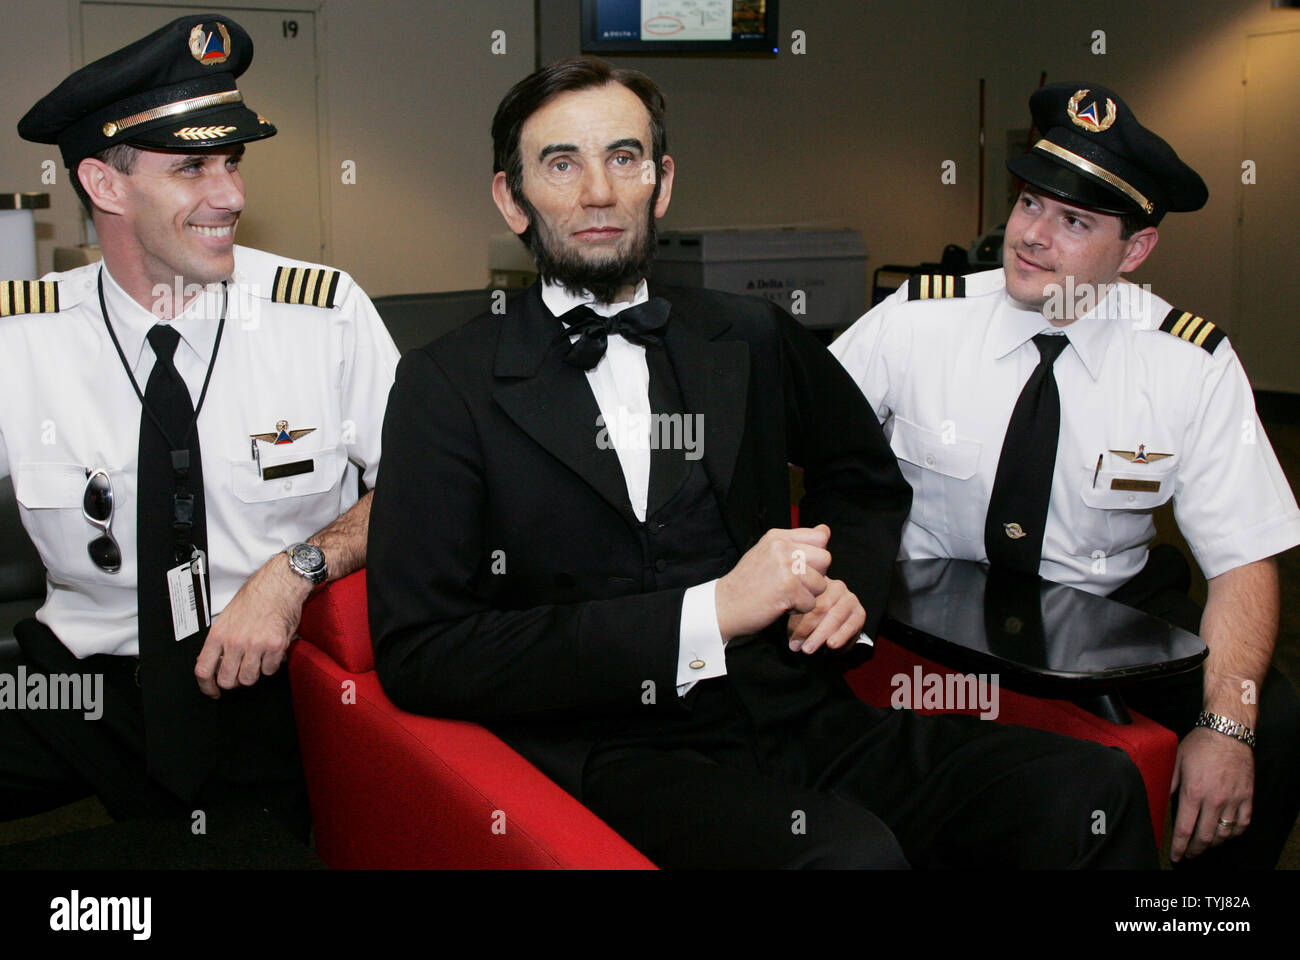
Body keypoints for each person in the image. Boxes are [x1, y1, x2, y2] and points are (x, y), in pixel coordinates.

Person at [367, 57, 1158, 869]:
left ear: (661, 183)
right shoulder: (445, 386)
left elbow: (861, 473)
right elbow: (421, 652)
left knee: (1089, 789)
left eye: (625, 158)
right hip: (618, 748)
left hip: (797, 710)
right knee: (848, 858)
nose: (598, 191)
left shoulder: (746, 335)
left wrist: (846, 580)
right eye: (561, 163)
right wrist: (707, 614)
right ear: (512, 197)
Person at [831, 81, 1300, 868]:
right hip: (933, 601)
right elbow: (800, 438)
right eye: (1029, 205)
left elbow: (1244, 558)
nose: (1033, 236)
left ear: (1136, 250)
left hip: (1099, 604)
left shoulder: (1191, 363)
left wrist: (1226, 727)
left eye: (1074, 220)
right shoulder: (917, 317)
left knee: (1276, 725)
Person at [0, 15, 399, 842]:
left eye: (232, 162)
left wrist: (293, 572)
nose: (231, 195)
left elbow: (424, 490)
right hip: (82, 682)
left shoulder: (319, 314)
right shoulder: (20, 337)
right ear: (105, 186)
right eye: (191, 168)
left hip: (266, 680)